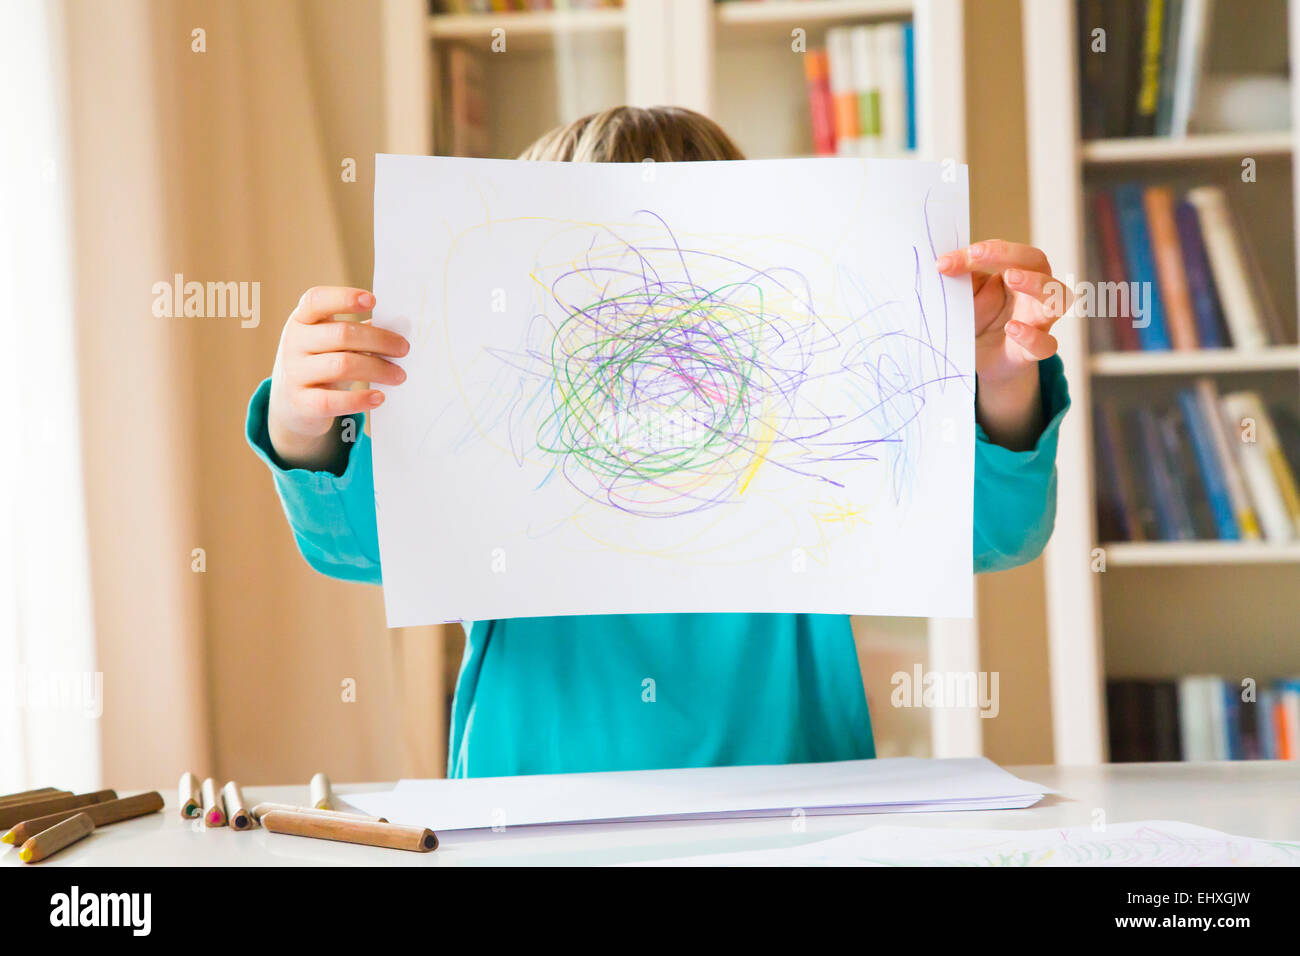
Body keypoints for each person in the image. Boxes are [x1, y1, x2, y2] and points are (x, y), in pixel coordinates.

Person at [246, 106, 1071, 777]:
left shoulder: (818, 455)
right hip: (531, 826)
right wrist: (300, 420)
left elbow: (996, 533)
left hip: (797, 824)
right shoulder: (495, 456)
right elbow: (352, 547)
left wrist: (1000, 380)